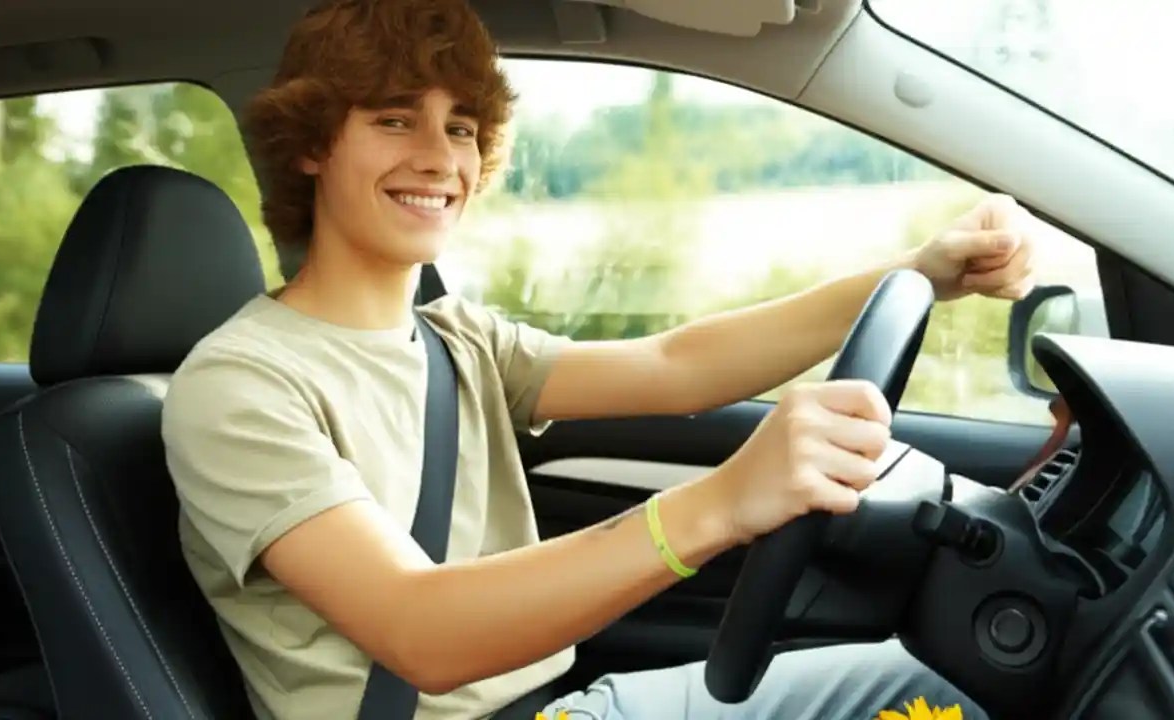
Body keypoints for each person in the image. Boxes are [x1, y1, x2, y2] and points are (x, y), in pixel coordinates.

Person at [161, 0, 1037, 718]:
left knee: (968, 682)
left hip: (560, 705)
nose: (439, 157)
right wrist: (723, 502)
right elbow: (418, 631)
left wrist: (920, 273)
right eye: (395, 119)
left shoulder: (454, 338)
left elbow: (674, 365)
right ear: (313, 145)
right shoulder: (237, 387)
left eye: (461, 128)